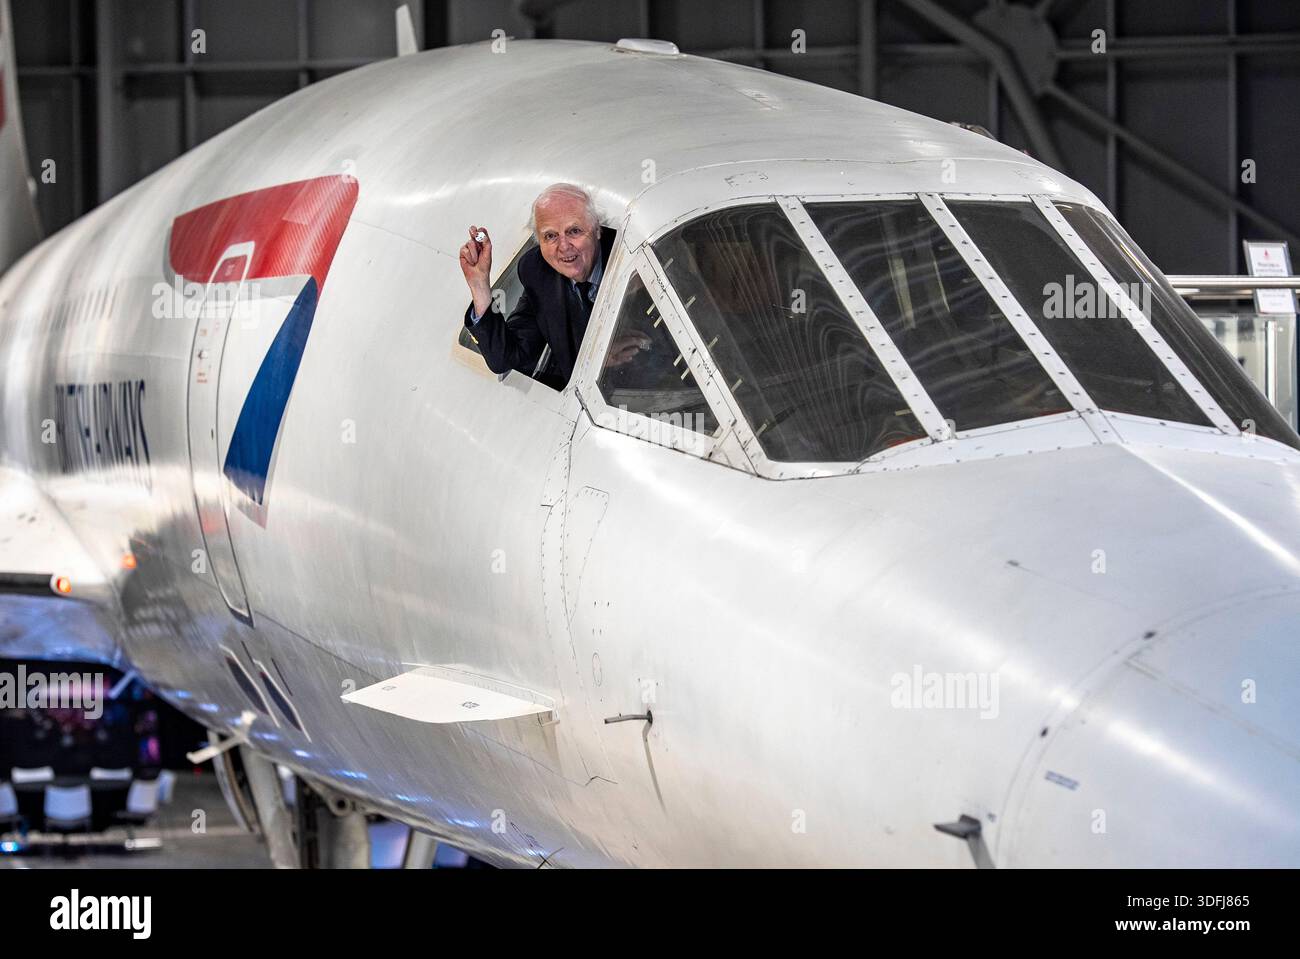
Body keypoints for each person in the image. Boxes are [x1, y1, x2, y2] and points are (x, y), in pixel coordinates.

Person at [458, 182, 648, 389]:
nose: (563, 247)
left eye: (574, 231)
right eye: (550, 236)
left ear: (597, 230)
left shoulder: (636, 262)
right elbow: (507, 357)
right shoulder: (537, 271)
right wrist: (479, 286)